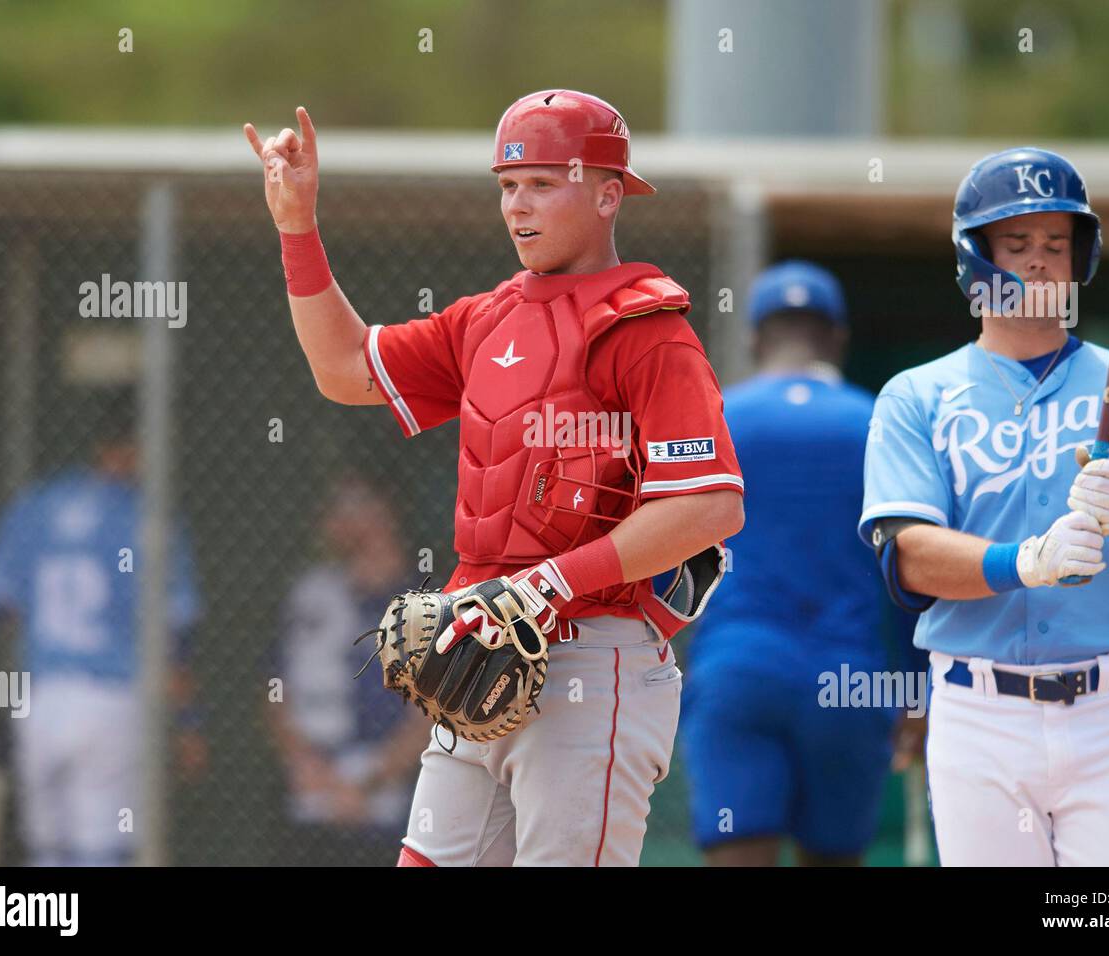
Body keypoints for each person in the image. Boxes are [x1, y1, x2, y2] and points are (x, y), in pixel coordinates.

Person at [245, 90, 745, 866]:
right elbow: (344, 369)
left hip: (591, 660)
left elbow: (707, 505)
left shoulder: (648, 330)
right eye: (508, 186)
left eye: (544, 183)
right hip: (479, 653)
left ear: (609, 193)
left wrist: (540, 586)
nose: (518, 205)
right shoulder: (487, 317)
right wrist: (297, 228)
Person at [860, 147, 1109, 866]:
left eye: (1056, 244)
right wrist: (1025, 561)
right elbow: (911, 555)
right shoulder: (917, 396)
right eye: (1016, 244)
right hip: (978, 711)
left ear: (1079, 257)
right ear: (976, 258)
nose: (1039, 262)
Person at [682, 261, 922, 867]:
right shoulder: (878, 422)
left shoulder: (714, 418)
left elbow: (668, 562)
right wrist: (916, 690)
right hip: (848, 682)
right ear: (837, 338)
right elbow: (911, 566)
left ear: (757, 338)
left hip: (739, 669)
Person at [0, 389, 204, 865]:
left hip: (39, 698)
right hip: (111, 698)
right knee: (101, 848)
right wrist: (187, 723)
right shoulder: (150, 520)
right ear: (134, 448)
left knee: (47, 848)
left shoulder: (37, 504)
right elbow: (173, 638)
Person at [266, 475, 430, 865]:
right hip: (311, 799)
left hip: (389, 807)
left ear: (384, 513)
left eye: (349, 504)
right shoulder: (312, 590)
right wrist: (306, 766)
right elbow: (274, 686)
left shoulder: (422, 603)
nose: (331, 518)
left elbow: (432, 713)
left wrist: (367, 784)